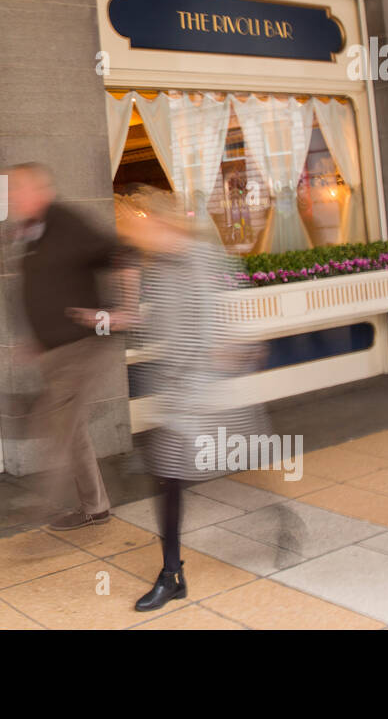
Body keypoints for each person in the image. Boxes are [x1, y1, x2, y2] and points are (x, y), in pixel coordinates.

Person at [101, 185, 266, 611]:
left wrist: (215, 361)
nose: (133, 233)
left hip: (202, 387)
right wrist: (124, 303)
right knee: (176, 477)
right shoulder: (155, 265)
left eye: (138, 224)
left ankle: (174, 573)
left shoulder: (199, 257)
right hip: (177, 389)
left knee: (184, 474)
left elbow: (214, 316)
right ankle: (172, 573)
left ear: (158, 220)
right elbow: (146, 326)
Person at [5, 162, 129, 531]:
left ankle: (35, 515)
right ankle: (95, 506)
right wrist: (37, 340)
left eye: (17, 190)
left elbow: (121, 254)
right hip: (56, 349)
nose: (12, 198)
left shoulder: (68, 222)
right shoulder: (33, 232)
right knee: (70, 429)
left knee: (57, 424)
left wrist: (118, 313)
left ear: (39, 191)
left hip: (81, 346)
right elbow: (47, 287)